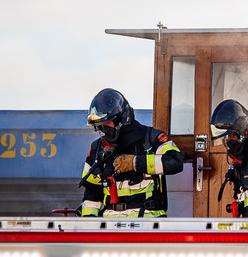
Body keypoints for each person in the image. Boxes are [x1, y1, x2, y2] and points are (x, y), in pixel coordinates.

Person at [79, 88, 185, 217]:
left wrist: (135, 163)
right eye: (99, 127)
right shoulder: (97, 149)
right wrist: (89, 227)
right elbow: (92, 194)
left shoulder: (151, 139)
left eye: (106, 124)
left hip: (148, 226)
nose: (102, 131)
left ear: (121, 120)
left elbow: (175, 161)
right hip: (110, 229)